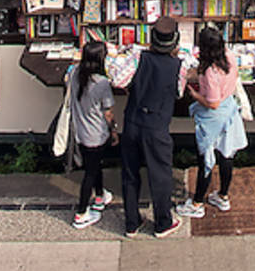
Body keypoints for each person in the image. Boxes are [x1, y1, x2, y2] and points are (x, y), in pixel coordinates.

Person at [120, 16, 183, 238]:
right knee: (161, 175)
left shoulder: (139, 57)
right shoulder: (178, 66)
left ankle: (131, 222)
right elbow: (179, 91)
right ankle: (162, 222)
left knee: (129, 173)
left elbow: (120, 79)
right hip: (156, 126)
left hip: (133, 121)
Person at [177, 24, 247, 219]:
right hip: (229, 111)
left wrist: (194, 94)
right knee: (226, 156)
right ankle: (223, 196)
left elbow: (212, 103)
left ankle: (197, 202)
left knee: (206, 160)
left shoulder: (210, 72)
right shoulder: (229, 57)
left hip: (213, 118)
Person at [67, 39, 116, 229]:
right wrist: (114, 130)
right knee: (90, 172)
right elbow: (108, 112)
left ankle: (100, 195)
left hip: (80, 132)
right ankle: (81, 213)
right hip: (97, 134)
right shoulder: (101, 83)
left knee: (94, 166)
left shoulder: (75, 74)